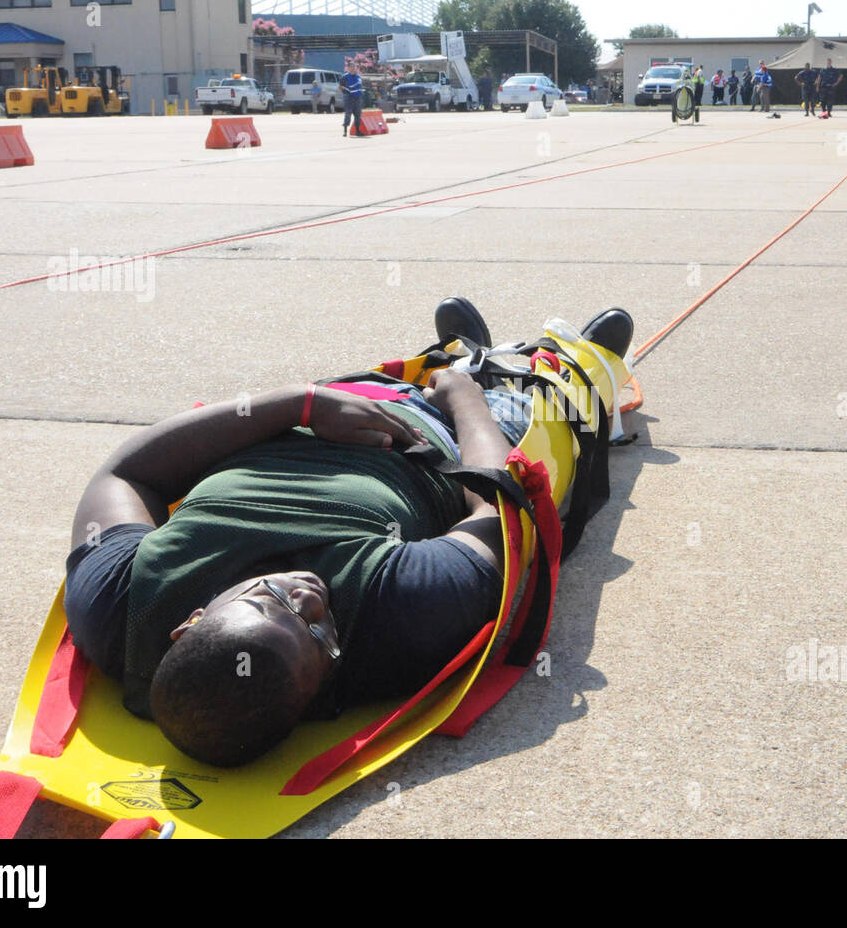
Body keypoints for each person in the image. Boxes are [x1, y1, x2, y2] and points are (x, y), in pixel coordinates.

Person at [62, 298, 636, 767]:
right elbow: (497, 504)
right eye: (321, 635)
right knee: (521, 401)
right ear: (322, 686)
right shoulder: (399, 613)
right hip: (435, 436)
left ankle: (469, 354)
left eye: (276, 600)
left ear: (189, 624)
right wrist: (463, 404)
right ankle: (566, 370)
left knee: (427, 372)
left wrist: (300, 403)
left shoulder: (119, 606)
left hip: (323, 409)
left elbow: (125, 472)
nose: (311, 599)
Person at [341, 62, 365, 137]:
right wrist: (346, 94)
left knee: (358, 115)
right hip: (349, 98)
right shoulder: (345, 77)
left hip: (357, 98)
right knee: (348, 114)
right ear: (348, 68)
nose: (353, 68)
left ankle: (357, 131)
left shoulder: (358, 77)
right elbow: (340, 86)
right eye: (351, 67)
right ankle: (345, 131)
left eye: (354, 67)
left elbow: (359, 86)